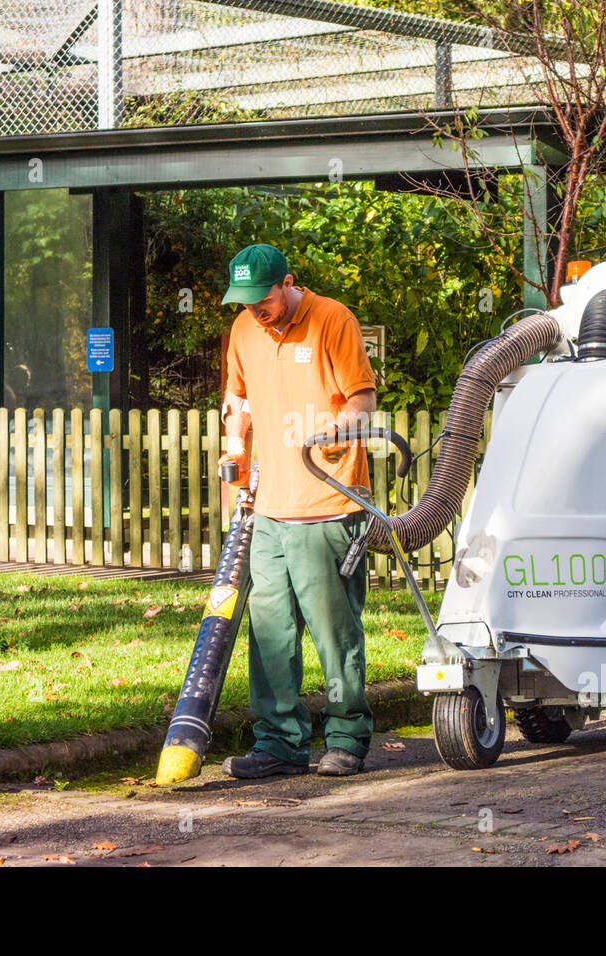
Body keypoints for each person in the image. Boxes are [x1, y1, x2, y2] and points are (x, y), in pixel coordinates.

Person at [217, 243, 378, 779]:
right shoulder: (244, 329)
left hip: (329, 503)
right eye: (243, 302)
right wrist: (235, 447)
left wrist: (338, 430)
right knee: (269, 634)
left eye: (260, 299)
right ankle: (279, 745)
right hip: (269, 509)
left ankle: (346, 739)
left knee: (334, 632)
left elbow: (363, 400)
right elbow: (236, 399)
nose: (254, 311)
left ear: (286, 283)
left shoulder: (333, 320)